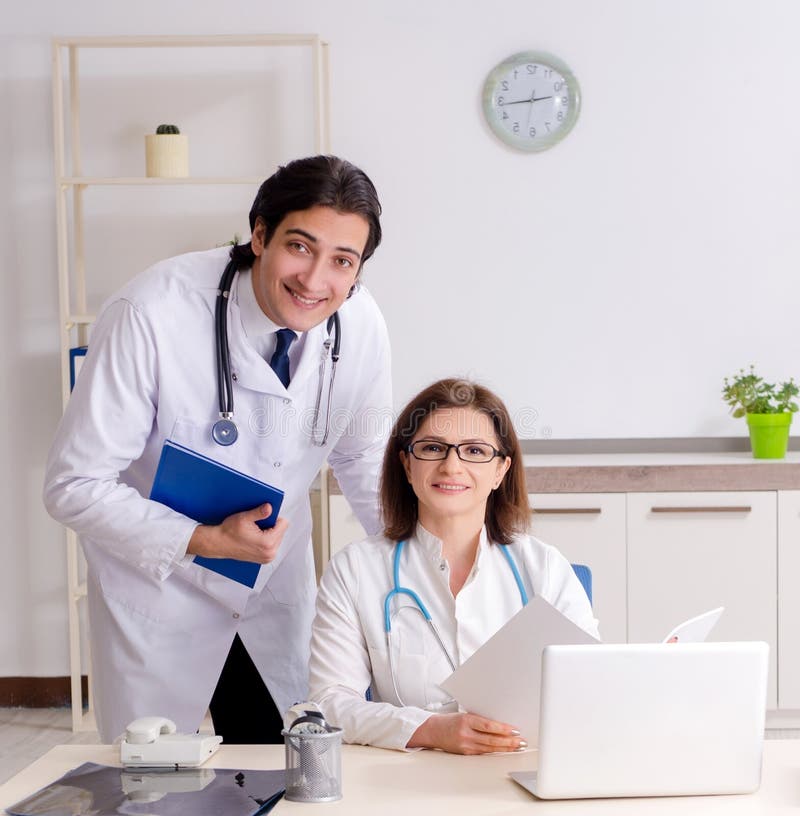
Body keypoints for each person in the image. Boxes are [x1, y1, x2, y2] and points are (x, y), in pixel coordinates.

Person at [43, 155, 392, 744]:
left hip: (272, 586)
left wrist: (415, 561)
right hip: (160, 592)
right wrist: (203, 540)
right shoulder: (152, 313)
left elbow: (362, 458)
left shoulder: (359, 323)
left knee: (285, 763)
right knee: (158, 778)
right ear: (259, 234)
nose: (315, 280)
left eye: (342, 260)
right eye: (299, 246)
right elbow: (72, 486)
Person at [308, 378, 599, 754]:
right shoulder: (354, 570)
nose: (451, 466)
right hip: (406, 777)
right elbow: (329, 702)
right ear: (407, 464)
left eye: (474, 451)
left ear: (500, 470)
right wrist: (430, 730)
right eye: (432, 448)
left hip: (520, 769)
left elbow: (589, 686)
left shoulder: (546, 568)